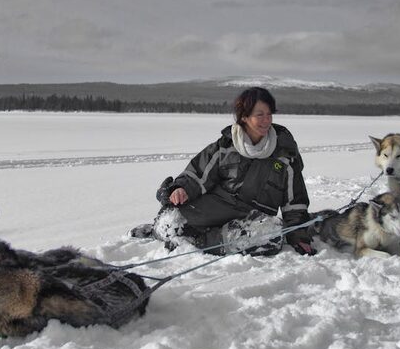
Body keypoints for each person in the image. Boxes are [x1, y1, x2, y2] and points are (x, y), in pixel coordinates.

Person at [130, 87, 316, 256]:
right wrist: (181, 189)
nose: (266, 120)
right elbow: (197, 175)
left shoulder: (285, 153)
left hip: (252, 218)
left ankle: (195, 241)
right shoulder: (225, 146)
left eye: (269, 114)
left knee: (272, 236)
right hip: (217, 207)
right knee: (170, 219)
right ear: (244, 117)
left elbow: (295, 202)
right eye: (259, 115)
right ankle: (161, 230)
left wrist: (298, 235)